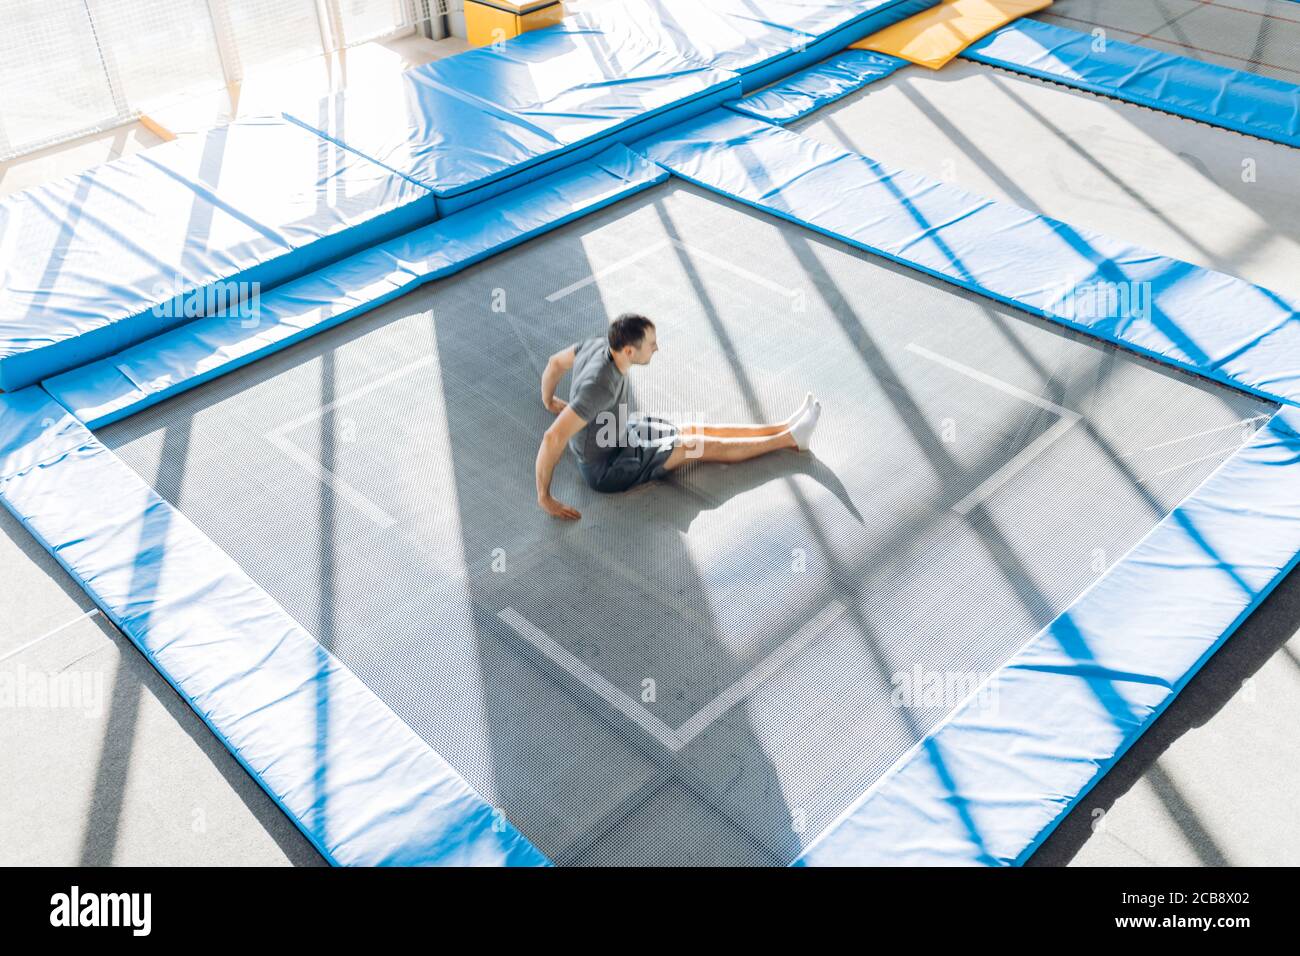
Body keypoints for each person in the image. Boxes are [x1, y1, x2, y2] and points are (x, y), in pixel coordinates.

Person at [535, 312, 821, 520]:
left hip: (618, 431)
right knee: (697, 445)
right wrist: (545, 497)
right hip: (607, 466)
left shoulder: (597, 345)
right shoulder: (599, 387)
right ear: (630, 350)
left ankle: (782, 427)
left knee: (694, 428)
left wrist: (549, 401)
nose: (657, 348)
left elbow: (555, 362)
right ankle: (791, 440)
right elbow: (553, 438)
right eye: (651, 344)